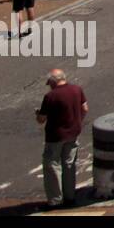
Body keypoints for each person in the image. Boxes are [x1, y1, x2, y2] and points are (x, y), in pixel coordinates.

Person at [37, 69, 87, 209]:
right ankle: (70, 197)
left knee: (52, 166)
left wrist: (37, 114)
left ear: (53, 81)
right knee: (69, 164)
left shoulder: (51, 96)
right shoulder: (77, 90)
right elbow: (85, 108)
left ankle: (55, 200)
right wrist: (77, 121)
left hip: (55, 136)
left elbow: (41, 119)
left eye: (49, 83)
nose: (49, 86)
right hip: (73, 133)